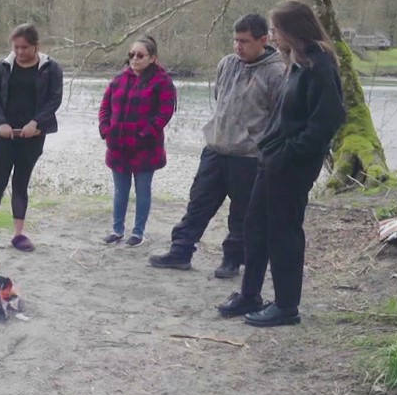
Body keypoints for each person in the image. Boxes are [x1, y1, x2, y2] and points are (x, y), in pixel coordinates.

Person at [216, 0, 346, 327]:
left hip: (293, 164)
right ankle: (250, 294)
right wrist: (271, 147)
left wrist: (290, 151)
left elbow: (328, 119)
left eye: (275, 29)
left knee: (284, 232)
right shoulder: (297, 60)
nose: (272, 36)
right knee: (255, 225)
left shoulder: (320, 65)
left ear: (291, 29)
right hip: (272, 159)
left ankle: (287, 306)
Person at [149, 15, 285, 277]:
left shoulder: (277, 72)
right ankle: (181, 250)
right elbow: (219, 99)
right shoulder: (226, 64)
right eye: (235, 40)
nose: (238, 46)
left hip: (249, 155)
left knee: (242, 214)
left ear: (263, 40)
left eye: (244, 41)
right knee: (198, 202)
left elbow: (278, 116)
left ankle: (232, 260)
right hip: (216, 148)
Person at [0, 23, 64, 254]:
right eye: (16, 47)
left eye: (25, 47)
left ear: (36, 45)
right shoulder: (2, 67)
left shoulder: (51, 69)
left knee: (21, 183)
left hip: (32, 136)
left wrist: (36, 123)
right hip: (3, 135)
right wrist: (1, 122)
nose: (20, 52)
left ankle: (18, 234)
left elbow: (54, 99)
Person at [98, 35, 176, 247]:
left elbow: (165, 113)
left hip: (145, 147)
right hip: (118, 146)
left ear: (152, 58)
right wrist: (106, 130)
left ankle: (138, 233)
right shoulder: (119, 79)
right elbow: (105, 106)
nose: (134, 59)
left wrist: (144, 135)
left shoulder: (162, 82)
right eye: (131, 54)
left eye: (140, 55)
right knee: (120, 191)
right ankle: (117, 230)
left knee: (143, 190)